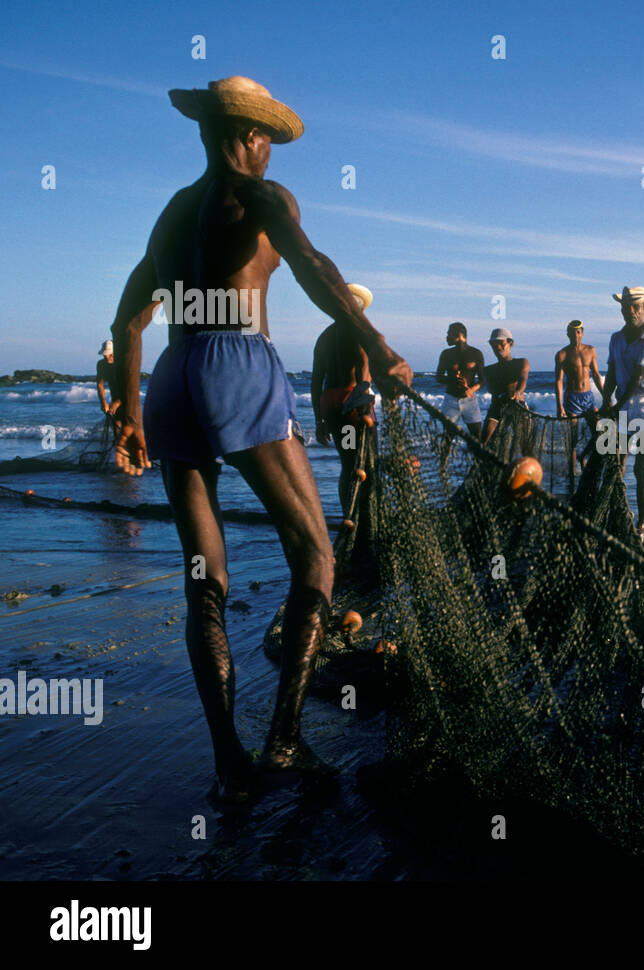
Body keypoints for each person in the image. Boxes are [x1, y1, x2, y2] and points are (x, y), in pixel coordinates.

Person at [108, 77, 413, 803]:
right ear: (244, 136)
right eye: (266, 138)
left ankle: (228, 763)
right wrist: (380, 343)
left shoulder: (171, 217)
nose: (271, 151)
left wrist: (127, 411)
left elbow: (128, 323)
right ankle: (282, 740)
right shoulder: (264, 198)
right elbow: (315, 268)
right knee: (315, 553)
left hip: (174, 378)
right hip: (237, 363)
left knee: (202, 582)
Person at [311, 283, 377, 541]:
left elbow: (316, 380)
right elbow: (362, 366)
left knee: (347, 462)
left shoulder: (325, 336)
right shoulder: (358, 330)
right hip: (352, 399)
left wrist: (319, 420)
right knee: (364, 463)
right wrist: (362, 403)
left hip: (331, 401)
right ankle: (362, 521)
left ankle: (347, 515)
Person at [601, 286, 644, 536]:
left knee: (641, 468)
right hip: (624, 405)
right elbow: (613, 374)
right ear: (622, 309)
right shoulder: (616, 338)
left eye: (636, 307)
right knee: (617, 463)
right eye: (627, 306)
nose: (631, 311)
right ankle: (618, 512)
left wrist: (616, 406)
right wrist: (607, 402)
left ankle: (642, 524)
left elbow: (638, 376)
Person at [434, 322, 484, 437]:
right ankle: (444, 456)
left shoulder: (476, 354)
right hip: (451, 400)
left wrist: (472, 389)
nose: (447, 337)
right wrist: (452, 379)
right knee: (447, 438)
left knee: (477, 438)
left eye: (449, 334)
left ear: (459, 334)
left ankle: (475, 456)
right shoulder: (446, 354)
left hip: (470, 401)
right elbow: (438, 377)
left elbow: (482, 380)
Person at [481, 328, 529, 442]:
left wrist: (517, 393)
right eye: (493, 344)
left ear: (510, 343)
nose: (497, 347)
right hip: (498, 406)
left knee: (525, 444)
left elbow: (523, 380)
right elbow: (490, 389)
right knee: (484, 441)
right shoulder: (488, 370)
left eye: (501, 343)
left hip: (518, 406)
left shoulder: (521, 362)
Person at [555, 320, 603, 418]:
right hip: (572, 397)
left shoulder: (590, 350)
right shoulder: (562, 354)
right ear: (568, 334)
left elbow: (595, 375)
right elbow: (559, 381)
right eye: (572, 332)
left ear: (582, 334)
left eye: (578, 332)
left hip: (588, 395)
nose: (576, 335)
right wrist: (559, 407)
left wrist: (606, 397)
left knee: (597, 425)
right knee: (573, 429)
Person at [95, 340, 122, 425]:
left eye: (109, 354)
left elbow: (129, 388)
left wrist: (117, 403)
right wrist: (103, 401)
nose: (106, 356)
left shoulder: (121, 364)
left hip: (126, 397)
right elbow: (100, 384)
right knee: (116, 423)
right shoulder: (101, 365)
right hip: (114, 395)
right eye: (104, 354)